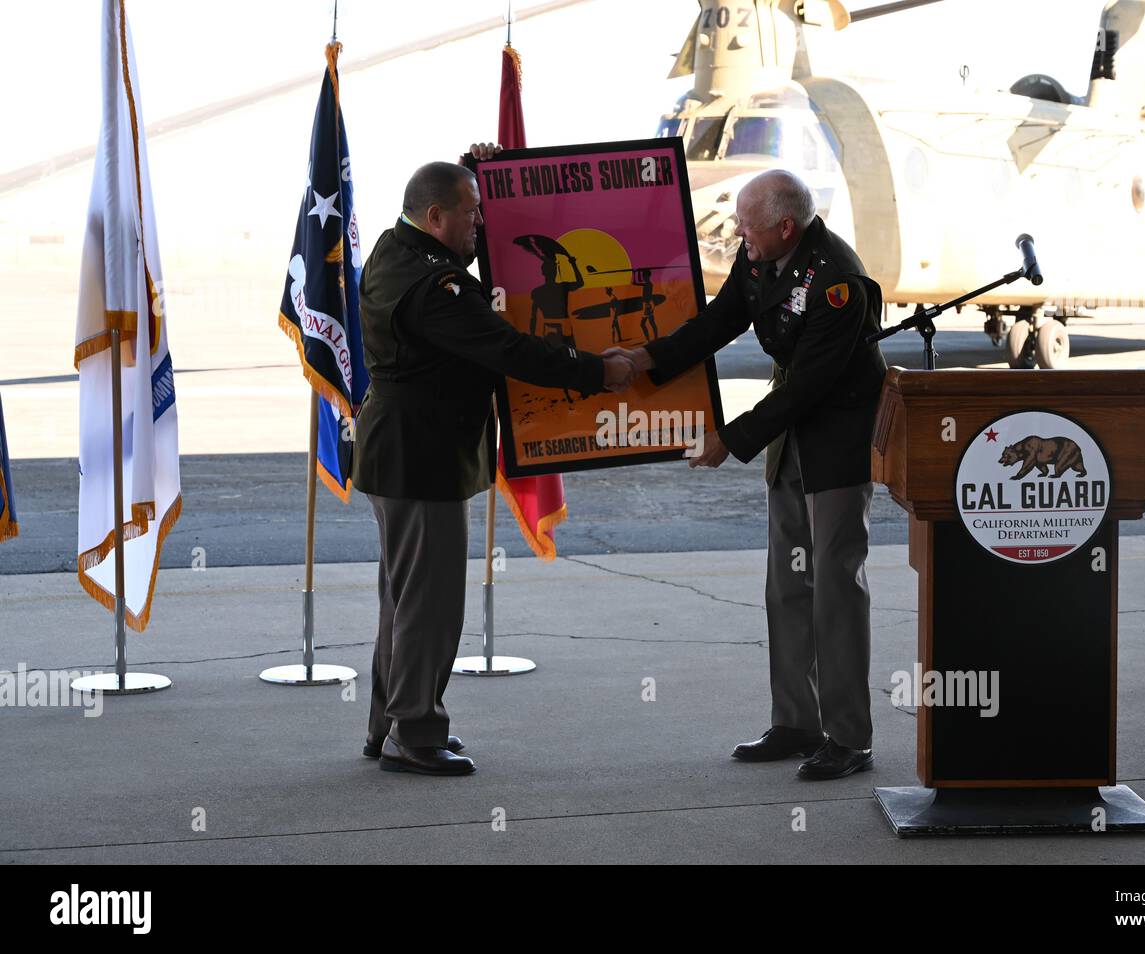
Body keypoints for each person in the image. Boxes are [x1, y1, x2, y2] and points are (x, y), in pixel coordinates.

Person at [353, 147, 635, 776]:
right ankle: (416, 734)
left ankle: (389, 723)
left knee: (403, 597)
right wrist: (598, 371)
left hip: (401, 450)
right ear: (435, 217)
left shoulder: (396, 249)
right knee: (428, 602)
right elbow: (508, 349)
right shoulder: (438, 287)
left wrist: (476, 172)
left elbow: (453, 224)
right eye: (473, 215)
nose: (481, 226)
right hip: (421, 457)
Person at [615, 170, 887, 780]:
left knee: (836, 590)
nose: (738, 233)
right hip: (790, 436)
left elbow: (812, 385)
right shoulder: (761, 254)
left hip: (836, 440)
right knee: (787, 586)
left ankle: (849, 738)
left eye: (747, 223)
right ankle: (797, 720)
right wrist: (648, 359)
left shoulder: (838, 281)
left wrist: (728, 440)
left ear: (785, 226)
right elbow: (720, 322)